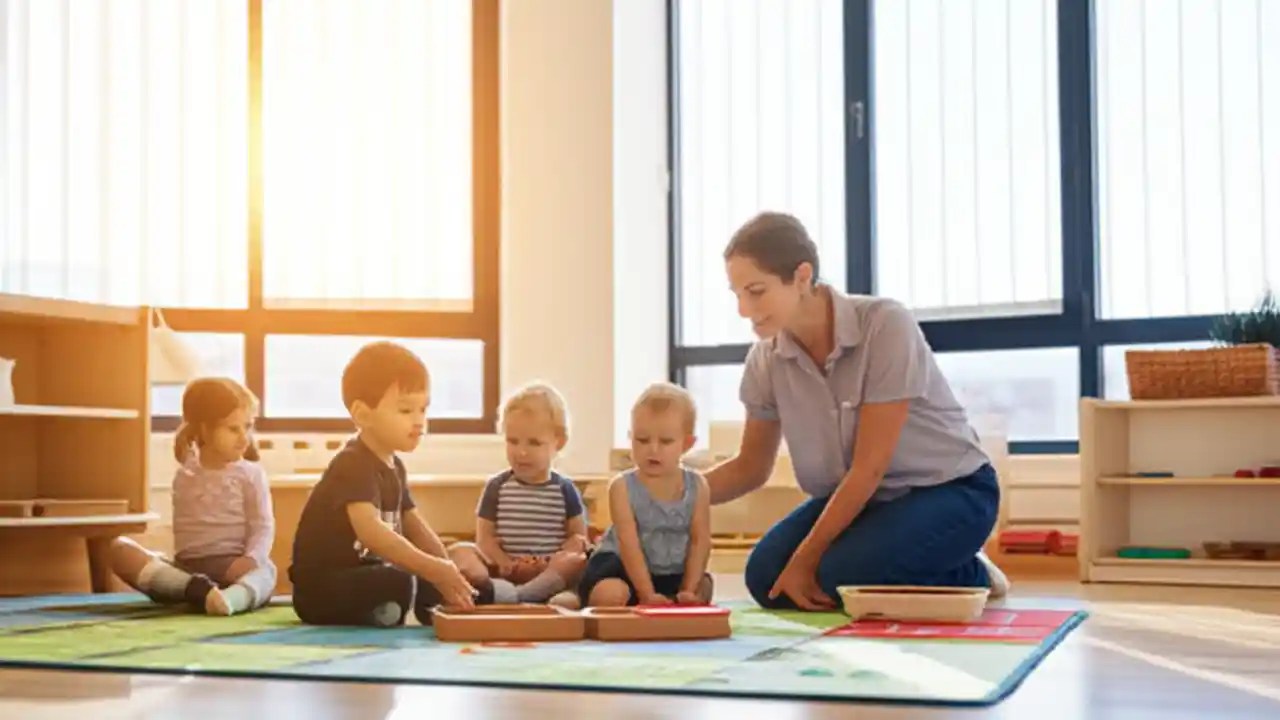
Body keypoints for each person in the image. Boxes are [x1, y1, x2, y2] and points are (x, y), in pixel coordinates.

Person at [705, 211, 1008, 611]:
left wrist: (806, 559)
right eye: (737, 294)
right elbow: (750, 467)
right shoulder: (765, 359)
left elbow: (870, 467)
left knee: (832, 575)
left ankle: (969, 570)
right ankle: (922, 558)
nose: (744, 309)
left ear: (801, 276)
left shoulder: (885, 325)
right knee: (765, 579)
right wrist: (663, 494)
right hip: (868, 503)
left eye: (756, 291)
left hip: (950, 490)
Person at [289, 341, 488, 627]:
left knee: (433, 566)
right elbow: (371, 532)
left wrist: (447, 569)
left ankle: (430, 609)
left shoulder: (395, 466)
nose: (419, 421)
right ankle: (391, 612)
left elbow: (415, 526)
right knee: (403, 578)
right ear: (363, 415)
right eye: (406, 411)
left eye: (423, 409)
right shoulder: (352, 462)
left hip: (365, 575)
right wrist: (434, 568)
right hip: (323, 589)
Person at [109, 377, 277, 616]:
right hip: (187, 569)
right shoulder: (186, 472)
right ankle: (194, 590)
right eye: (233, 428)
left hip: (232, 568)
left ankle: (229, 599)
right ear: (204, 429)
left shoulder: (251, 474)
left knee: (266, 570)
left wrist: (251, 559)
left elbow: (263, 525)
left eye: (247, 427)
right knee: (119, 550)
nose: (244, 438)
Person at [448, 382, 589, 607]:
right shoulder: (497, 486)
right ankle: (517, 595)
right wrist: (504, 562)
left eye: (534, 443)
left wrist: (551, 563)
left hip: (549, 574)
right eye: (513, 441)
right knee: (460, 552)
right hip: (503, 574)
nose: (521, 452)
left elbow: (578, 539)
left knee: (572, 584)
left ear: (558, 443)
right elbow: (484, 538)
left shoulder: (565, 490)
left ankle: (520, 597)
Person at [579, 382, 713, 607]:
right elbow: (629, 544)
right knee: (610, 595)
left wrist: (688, 589)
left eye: (666, 441)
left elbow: (700, 542)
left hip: (673, 572)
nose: (652, 449)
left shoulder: (698, 485)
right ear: (630, 438)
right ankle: (582, 594)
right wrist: (646, 593)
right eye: (642, 440)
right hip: (623, 569)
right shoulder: (622, 486)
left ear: (687, 444)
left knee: (704, 588)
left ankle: (671, 599)